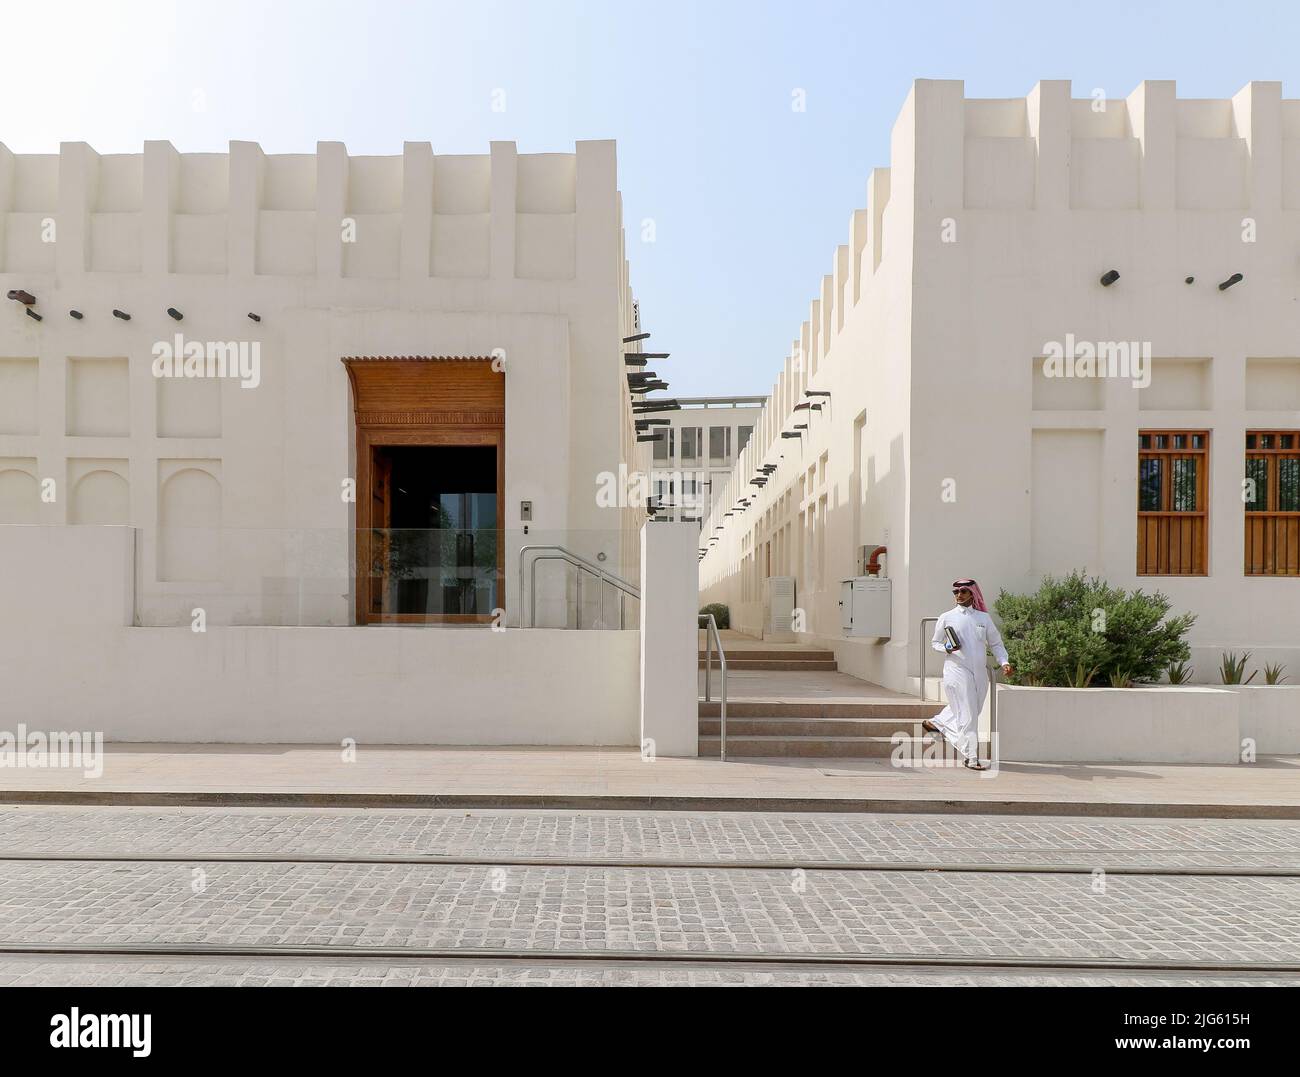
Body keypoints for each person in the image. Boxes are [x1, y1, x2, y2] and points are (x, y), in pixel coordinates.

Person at [922, 578, 1012, 771]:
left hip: (979, 673)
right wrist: (947, 647)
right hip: (956, 670)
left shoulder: (983, 618)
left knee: (971, 710)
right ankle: (972, 757)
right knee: (969, 715)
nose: (958, 595)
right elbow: (935, 643)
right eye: (955, 592)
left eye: (963, 591)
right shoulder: (946, 617)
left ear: (972, 594)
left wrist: (1004, 662)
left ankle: (936, 722)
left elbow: (995, 643)